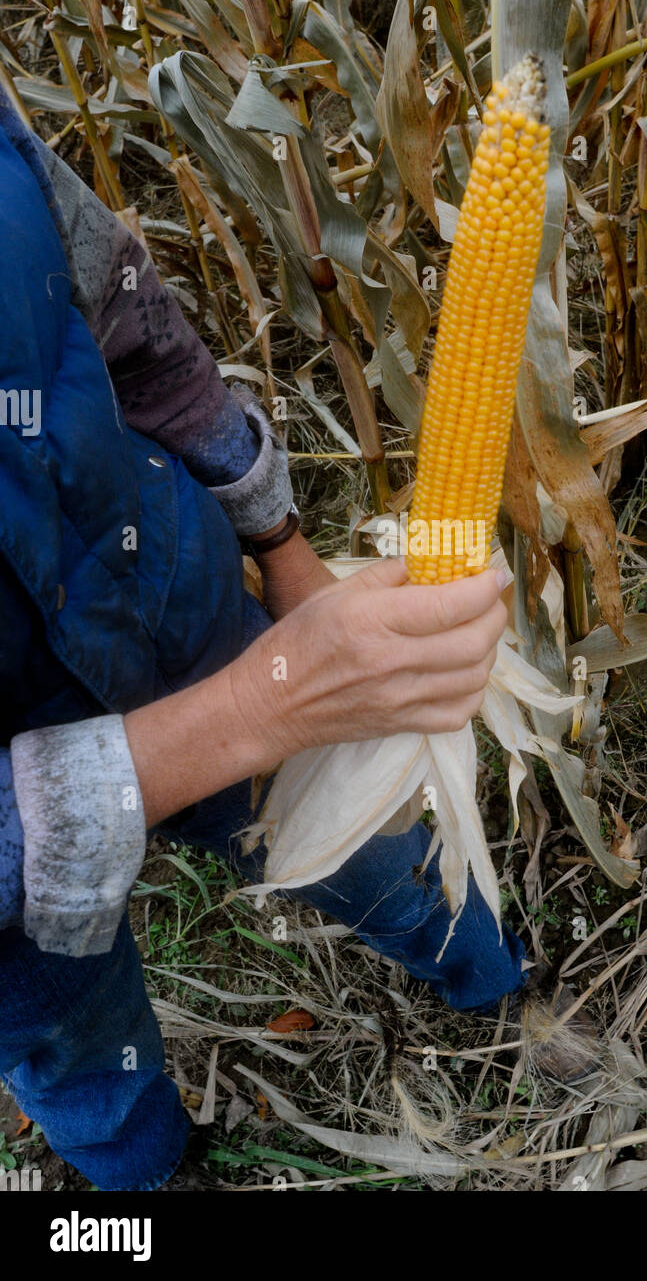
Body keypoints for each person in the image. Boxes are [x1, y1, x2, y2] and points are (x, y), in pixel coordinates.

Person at [0, 86, 595, 1193]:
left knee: (384, 851)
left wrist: (278, 540)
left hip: (172, 605)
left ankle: (497, 985)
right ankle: (149, 1171)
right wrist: (265, 702)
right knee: (69, 1040)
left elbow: (121, 314)